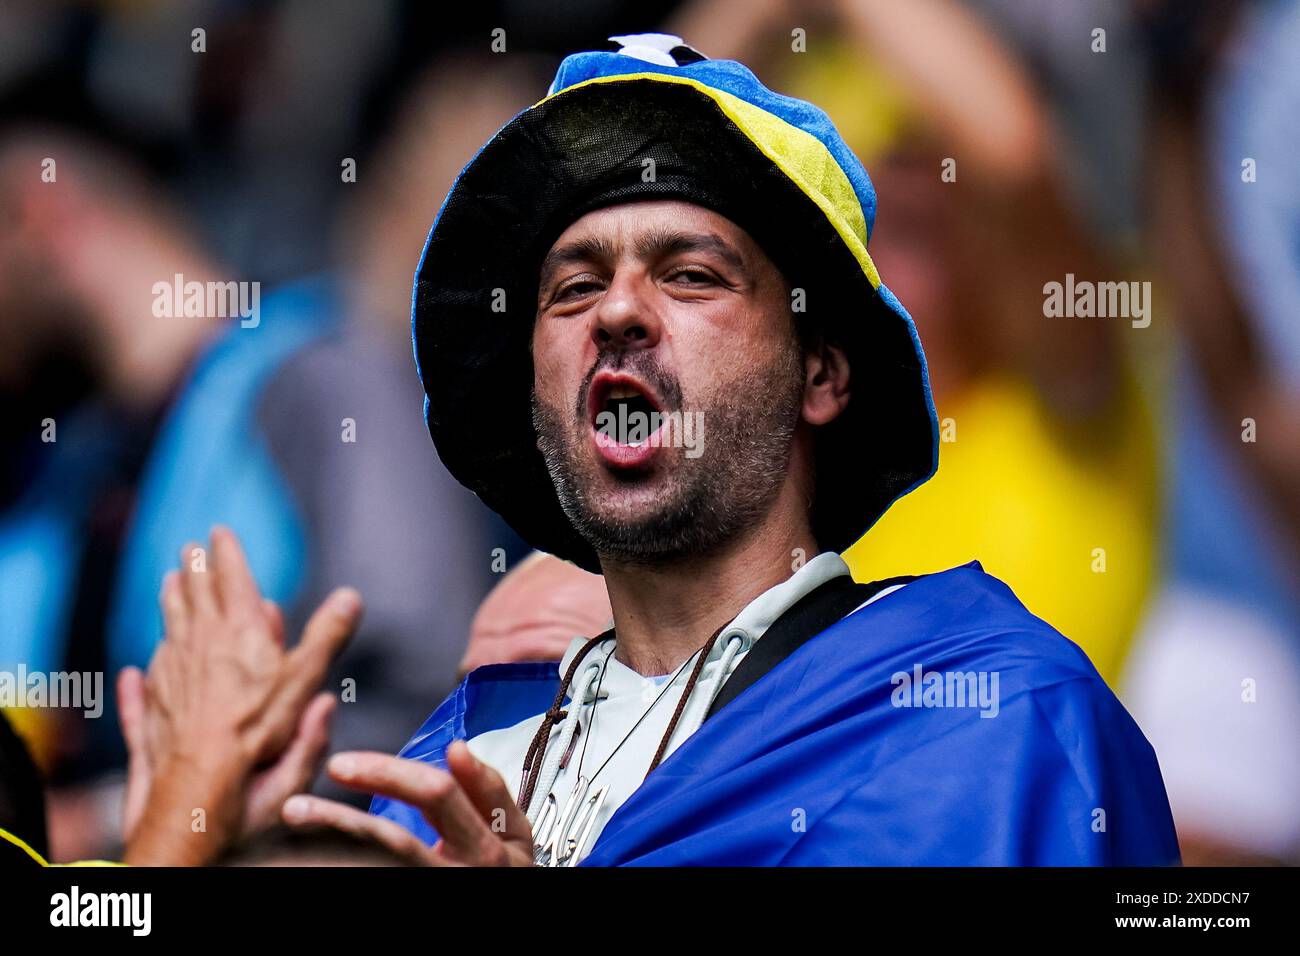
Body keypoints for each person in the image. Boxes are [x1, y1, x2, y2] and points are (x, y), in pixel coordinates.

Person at [122, 35, 1179, 867]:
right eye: (572, 286)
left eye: (691, 276)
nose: (617, 308)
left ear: (822, 374)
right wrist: (198, 839)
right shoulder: (422, 778)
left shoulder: (992, 725)